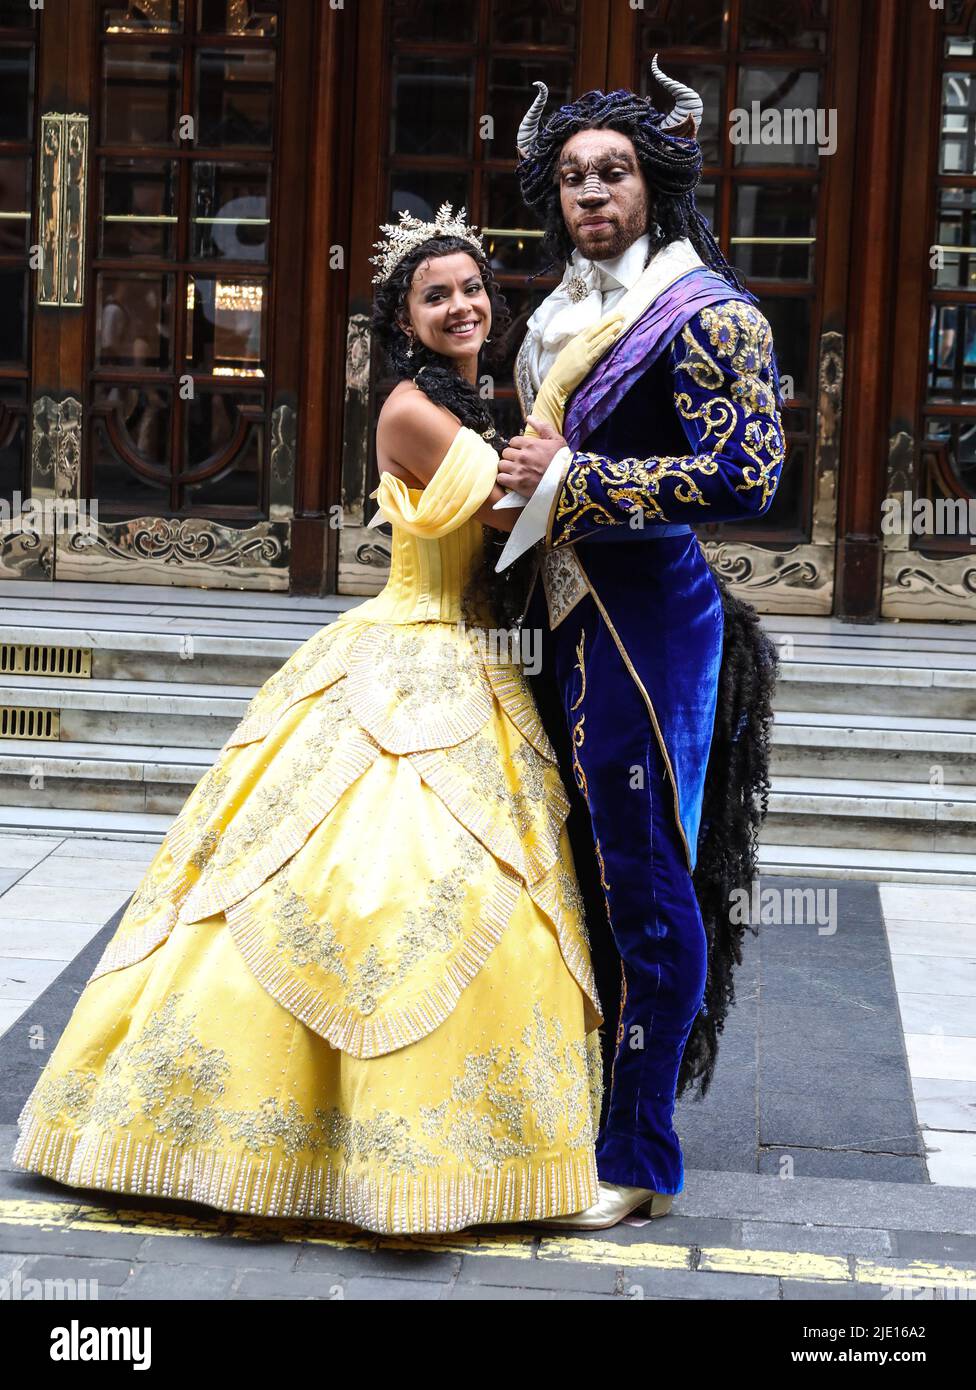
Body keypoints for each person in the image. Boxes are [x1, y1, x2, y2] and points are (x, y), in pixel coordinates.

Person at [11, 206, 627, 1236]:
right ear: (403, 317)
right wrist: (587, 444)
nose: (460, 306)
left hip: (478, 656)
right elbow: (522, 513)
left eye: (471, 290)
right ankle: (284, 1141)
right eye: (435, 297)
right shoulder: (410, 412)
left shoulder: (478, 396)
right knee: (378, 885)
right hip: (414, 648)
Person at [489, 59, 786, 1229]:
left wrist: (575, 479)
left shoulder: (707, 311)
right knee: (572, 870)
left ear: (653, 183)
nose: (590, 194)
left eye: (611, 172)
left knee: (647, 885)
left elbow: (748, 474)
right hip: (551, 618)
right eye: (570, 177)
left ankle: (640, 1154)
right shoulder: (556, 310)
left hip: (648, 624)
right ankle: (573, 1109)